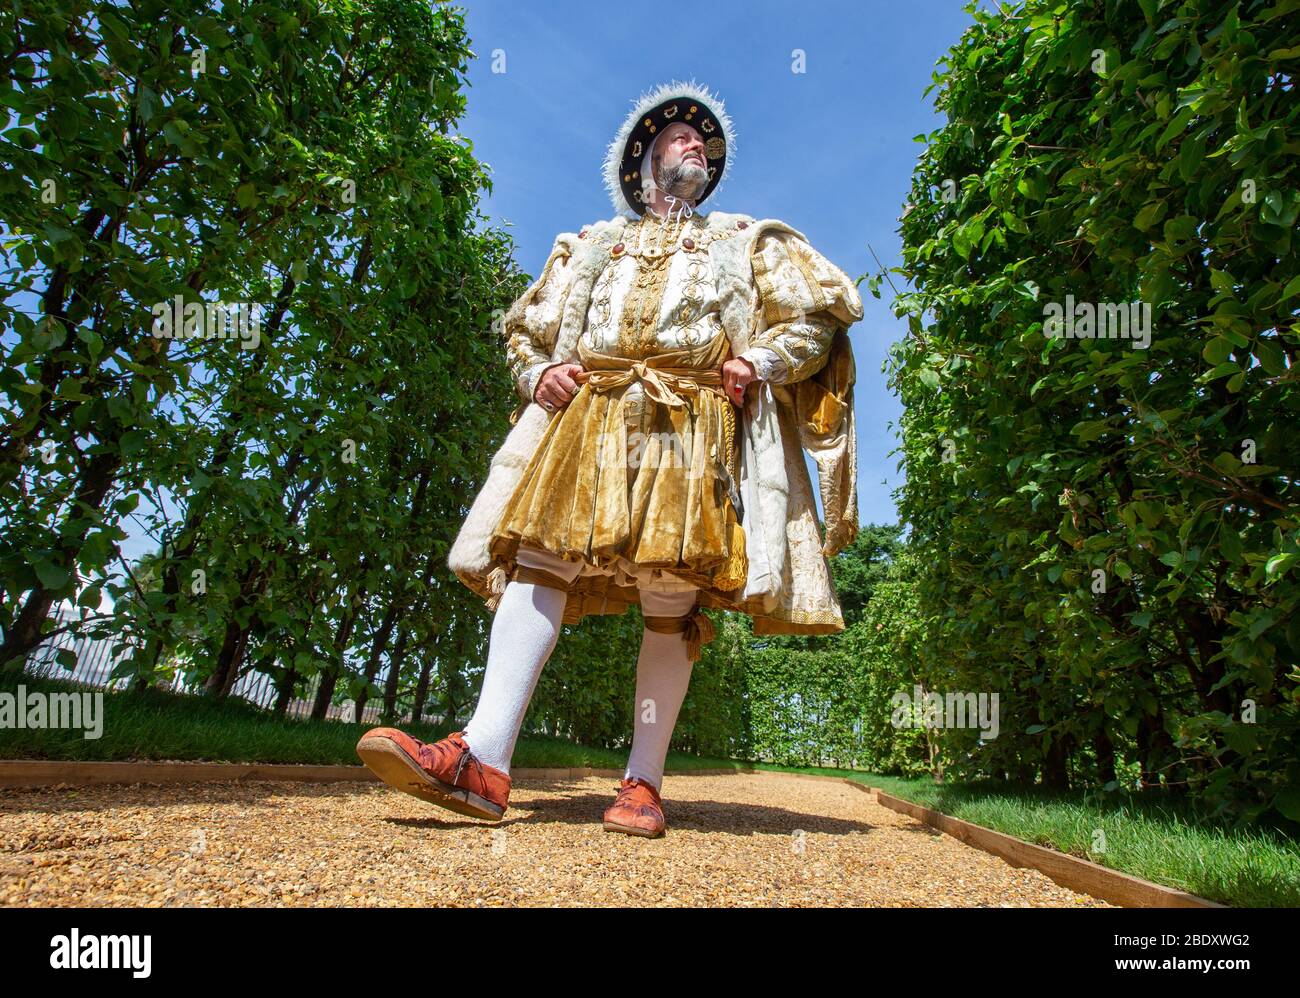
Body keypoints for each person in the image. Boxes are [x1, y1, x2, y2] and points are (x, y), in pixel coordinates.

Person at [357, 80, 864, 837]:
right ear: (644, 159)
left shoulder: (743, 237)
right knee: (538, 559)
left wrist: (759, 359)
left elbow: (819, 314)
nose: (696, 141)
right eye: (680, 135)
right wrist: (539, 373)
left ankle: (642, 783)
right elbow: (523, 332)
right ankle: (482, 761)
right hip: (589, 412)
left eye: (704, 138)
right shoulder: (587, 244)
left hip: (688, 416)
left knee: (670, 583)